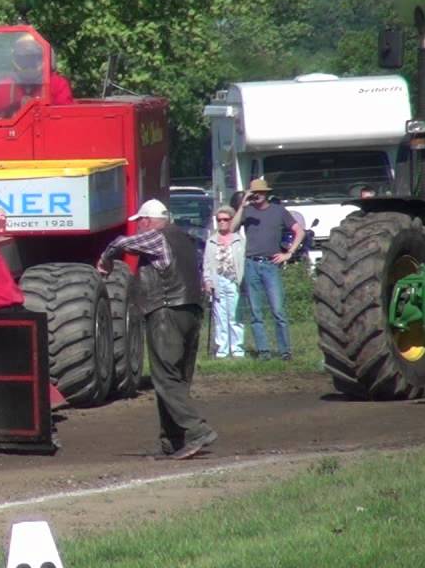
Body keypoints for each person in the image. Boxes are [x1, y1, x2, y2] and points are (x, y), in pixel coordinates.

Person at [96, 199, 216, 460]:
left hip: (166, 311)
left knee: (164, 376)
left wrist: (105, 259)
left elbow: (120, 243)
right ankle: (172, 441)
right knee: (177, 377)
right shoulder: (184, 237)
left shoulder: (158, 237)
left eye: (139, 222)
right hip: (191, 312)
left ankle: (196, 430)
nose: (138, 227)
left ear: (147, 221)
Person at [230, 178, 304, 360]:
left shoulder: (278, 211)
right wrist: (243, 203)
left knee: (278, 310)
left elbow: (299, 231)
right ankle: (264, 352)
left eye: (261, 192)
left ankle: (285, 351)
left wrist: (289, 253)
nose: (258, 196)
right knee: (256, 312)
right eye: (255, 192)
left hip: (271, 264)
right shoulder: (247, 211)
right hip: (251, 264)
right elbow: (232, 228)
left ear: (267, 193)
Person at [0, 34, 74, 118]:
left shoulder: (57, 84)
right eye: (24, 59)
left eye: (34, 58)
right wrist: (13, 108)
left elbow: (67, 118)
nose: (29, 64)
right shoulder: (5, 86)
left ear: (46, 58)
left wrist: (39, 108)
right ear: (15, 59)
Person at [202, 206, 246, 358]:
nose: (222, 222)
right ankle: (222, 348)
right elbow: (207, 263)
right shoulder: (211, 241)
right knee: (220, 317)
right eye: (219, 220)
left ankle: (237, 348)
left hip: (234, 281)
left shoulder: (239, 240)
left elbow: (243, 262)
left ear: (231, 220)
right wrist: (207, 281)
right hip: (218, 280)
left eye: (225, 220)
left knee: (235, 315)